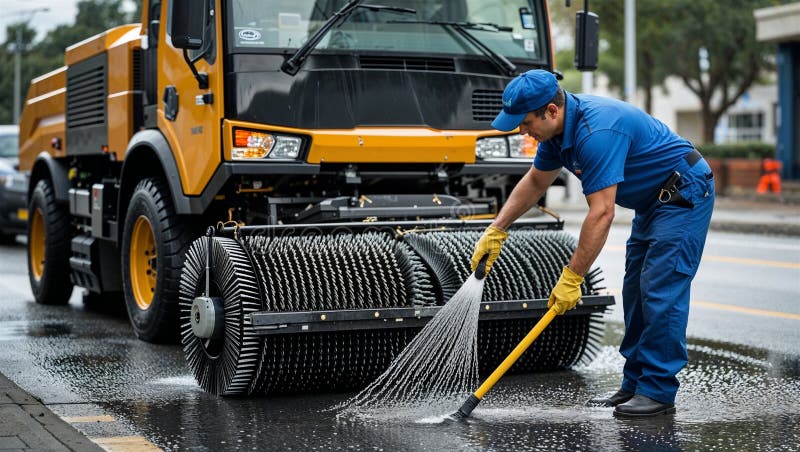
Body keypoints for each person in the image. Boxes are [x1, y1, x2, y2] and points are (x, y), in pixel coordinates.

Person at [470, 69, 715, 418]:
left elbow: (601, 213)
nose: (522, 131)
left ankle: (658, 390)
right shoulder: (555, 135)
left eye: (524, 123)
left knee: (660, 289)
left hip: (684, 193)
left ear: (551, 112)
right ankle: (634, 384)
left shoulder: (596, 132)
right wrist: (497, 229)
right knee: (636, 291)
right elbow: (537, 181)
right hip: (653, 201)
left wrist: (572, 277)